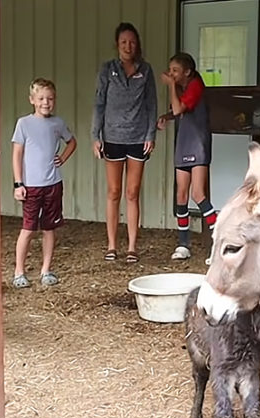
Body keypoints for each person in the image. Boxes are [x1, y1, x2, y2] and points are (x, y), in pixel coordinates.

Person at [91, 22, 158, 264]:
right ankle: (111, 245)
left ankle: (131, 247)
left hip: (138, 138)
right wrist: (95, 135)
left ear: (137, 44)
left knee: (132, 192)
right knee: (113, 192)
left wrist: (151, 134)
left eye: (132, 42)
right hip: (112, 137)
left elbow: (152, 104)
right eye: (123, 42)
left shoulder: (146, 70)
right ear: (117, 45)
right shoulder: (108, 69)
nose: (128, 46)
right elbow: (99, 104)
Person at [11, 77, 77, 288]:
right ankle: (19, 272)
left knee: (49, 228)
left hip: (53, 185)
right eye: (41, 98)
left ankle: (46, 270)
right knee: (28, 228)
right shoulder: (24, 123)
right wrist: (18, 183)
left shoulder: (57, 123)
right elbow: (17, 154)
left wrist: (63, 158)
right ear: (32, 100)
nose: (45, 102)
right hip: (31, 186)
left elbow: (72, 142)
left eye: (49, 98)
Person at [157, 51, 215, 264]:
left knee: (197, 194)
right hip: (183, 142)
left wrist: (171, 85)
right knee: (181, 195)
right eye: (170, 70)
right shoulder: (184, 87)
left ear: (187, 72)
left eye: (175, 71)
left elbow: (180, 106)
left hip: (197, 143)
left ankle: (219, 242)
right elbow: (178, 110)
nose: (171, 74)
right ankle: (183, 244)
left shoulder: (195, 85)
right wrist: (167, 116)